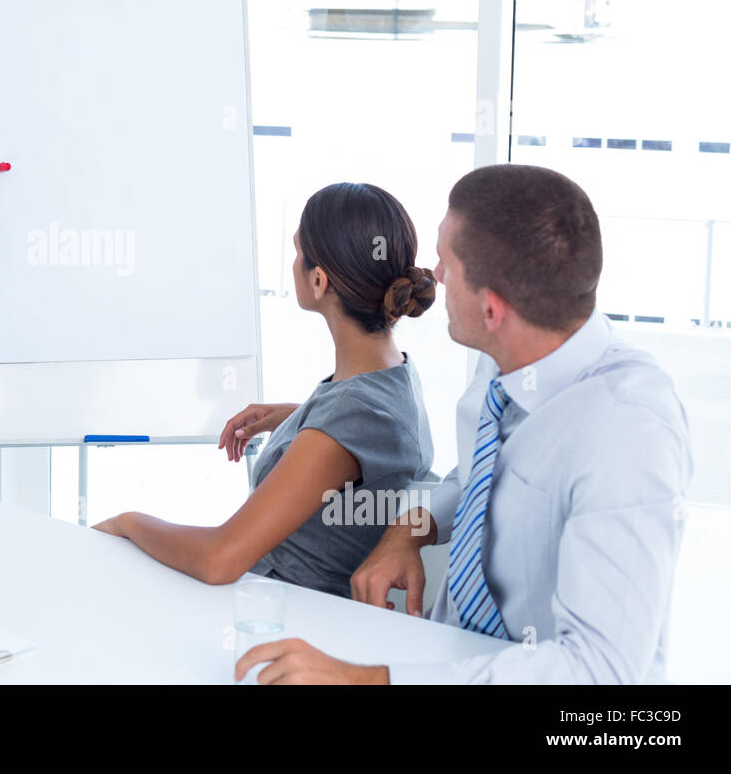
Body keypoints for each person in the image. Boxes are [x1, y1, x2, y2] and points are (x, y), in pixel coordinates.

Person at [234, 164, 693, 684]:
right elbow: (477, 476)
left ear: (492, 308)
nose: (432, 276)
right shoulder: (508, 358)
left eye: (447, 264)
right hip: (450, 650)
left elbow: (599, 672)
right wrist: (410, 530)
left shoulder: (629, 432)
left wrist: (372, 681)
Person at [93, 183, 437, 595]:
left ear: (318, 280)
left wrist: (128, 521)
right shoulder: (394, 374)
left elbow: (219, 558)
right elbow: (367, 444)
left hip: (289, 618)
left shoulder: (352, 417)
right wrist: (300, 417)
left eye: (296, 252)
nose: (293, 262)